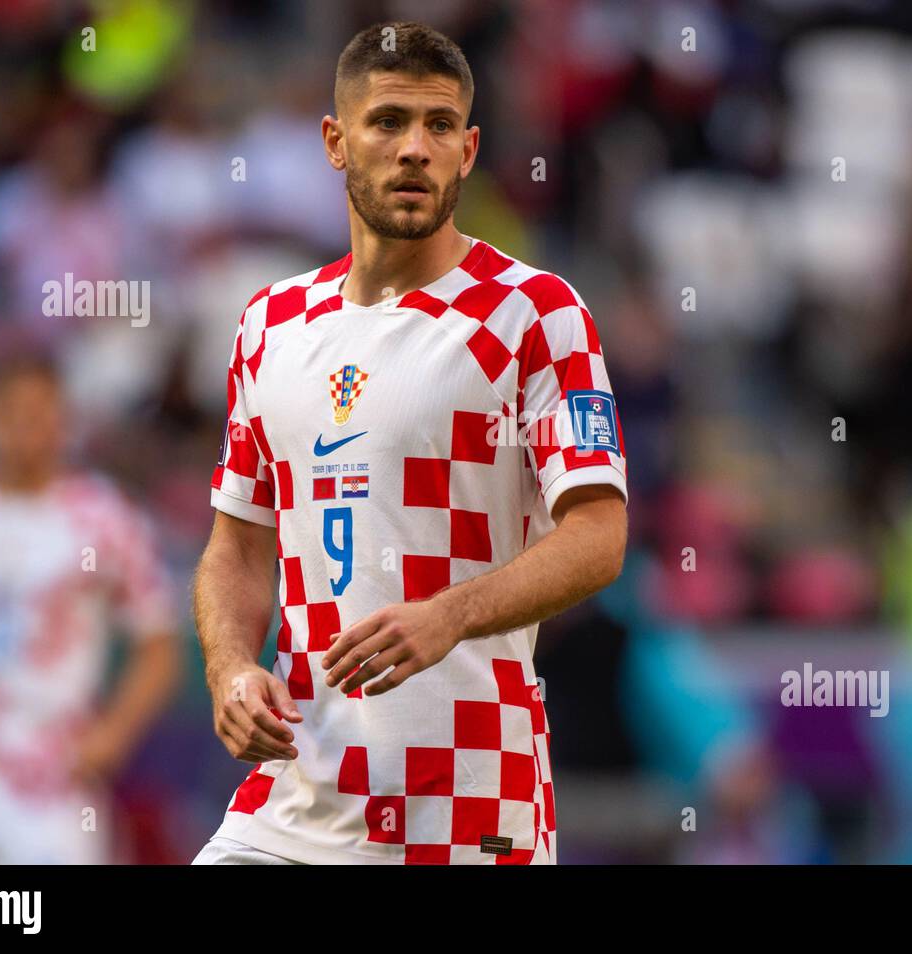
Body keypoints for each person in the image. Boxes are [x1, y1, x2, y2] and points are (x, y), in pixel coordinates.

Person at [192, 21, 628, 865]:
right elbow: (237, 545)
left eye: (438, 127)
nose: (414, 149)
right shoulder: (269, 325)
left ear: (468, 150)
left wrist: (449, 616)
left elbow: (599, 537)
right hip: (293, 791)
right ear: (334, 140)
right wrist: (230, 668)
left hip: (465, 797)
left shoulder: (536, 313)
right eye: (388, 121)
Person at [0, 353, 182, 863]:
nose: (29, 430)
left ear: (63, 421)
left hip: (52, 755)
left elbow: (158, 642)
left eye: (43, 414)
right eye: (15, 414)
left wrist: (111, 736)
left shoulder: (102, 517)